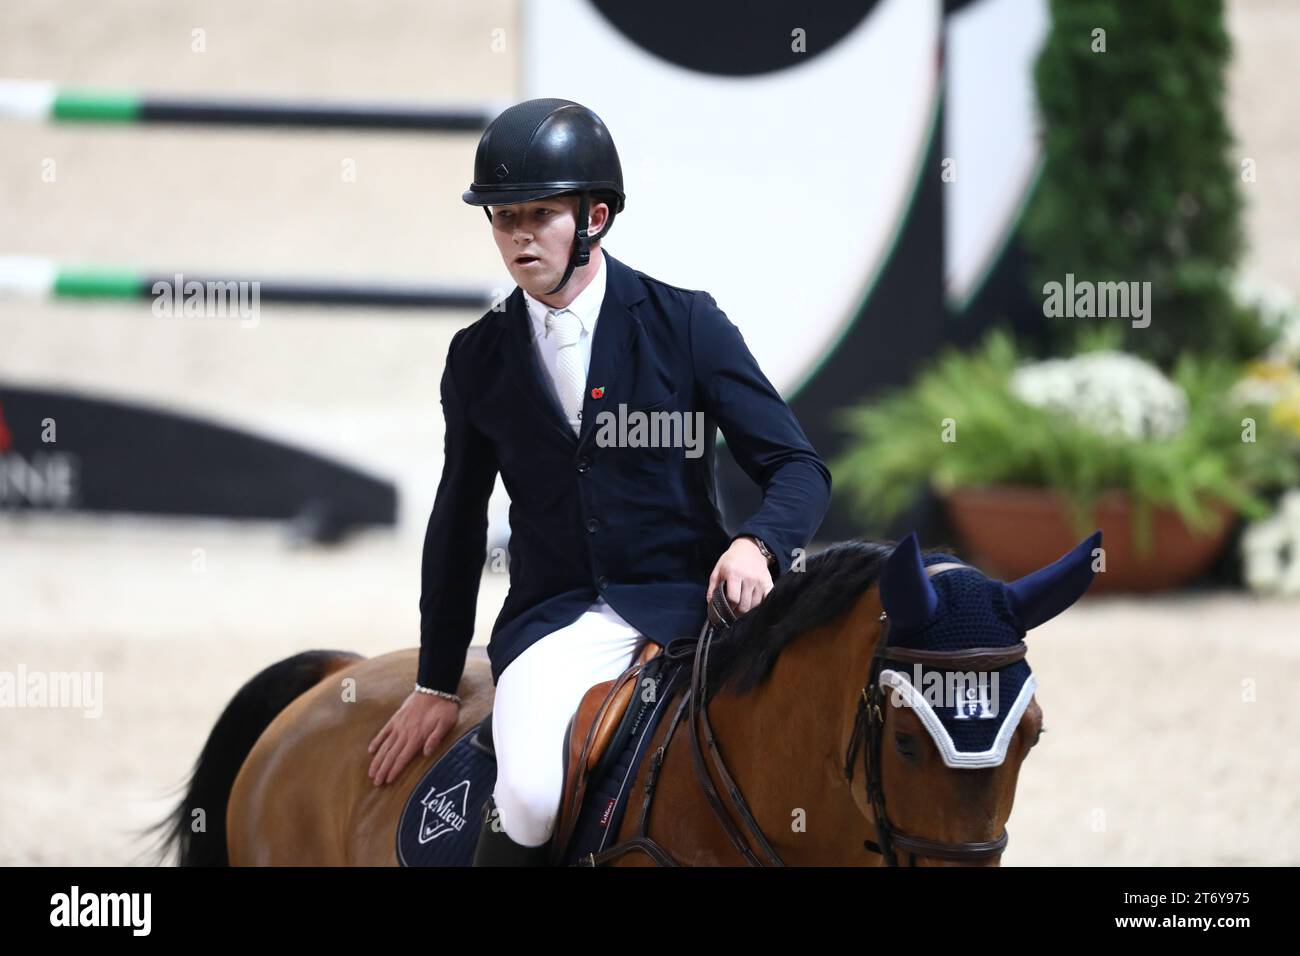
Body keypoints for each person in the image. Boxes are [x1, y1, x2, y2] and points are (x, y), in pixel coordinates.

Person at [366, 98, 831, 865]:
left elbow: (797, 467)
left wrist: (758, 544)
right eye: (501, 217)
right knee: (530, 796)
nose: (518, 235)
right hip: (557, 619)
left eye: (540, 214)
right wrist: (437, 680)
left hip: (691, 608)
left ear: (597, 216)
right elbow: (457, 520)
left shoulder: (686, 324)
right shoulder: (478, 355)